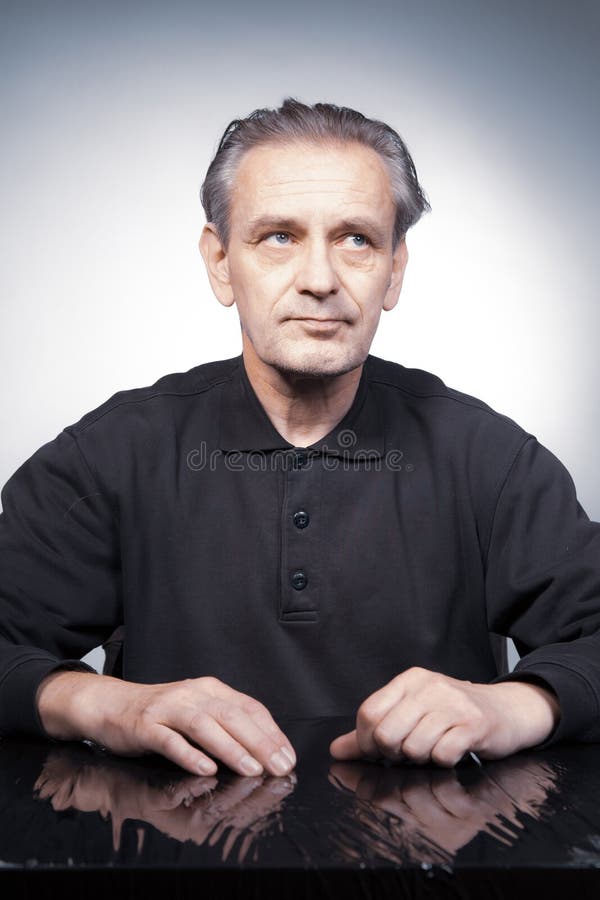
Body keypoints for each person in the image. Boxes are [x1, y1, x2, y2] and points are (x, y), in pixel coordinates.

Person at [1, 99, 599, 780]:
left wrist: (514, 706)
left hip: (439, 846)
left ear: (394, 270)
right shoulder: (113, 455)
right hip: (173, 844)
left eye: (356, 239)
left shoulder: (489, 459)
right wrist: (102, 705)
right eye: (279, 237)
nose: (320, 281)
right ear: (220, 262)